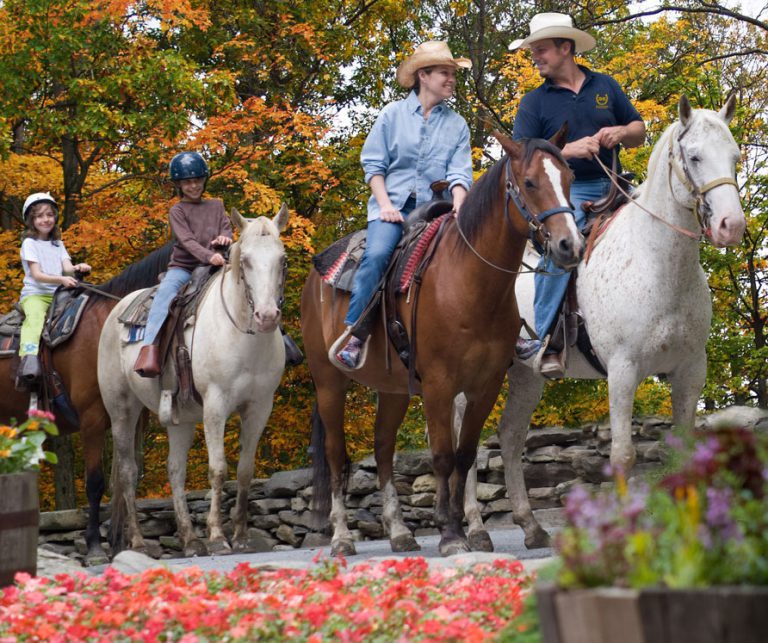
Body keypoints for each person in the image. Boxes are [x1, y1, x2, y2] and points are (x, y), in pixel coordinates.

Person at [509, 12, 646, 377]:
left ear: (565, 48)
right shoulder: (535, 102)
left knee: (665, 227)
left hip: (617, 185)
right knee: (560, 252)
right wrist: (568, 149)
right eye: (534, 51)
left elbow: (639, 129)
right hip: (568, 192)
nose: (535, 57)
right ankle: (547, 341)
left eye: (541, 50)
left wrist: (620, 132)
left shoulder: (605, 86)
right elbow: (522, 156)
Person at [334, 41, 474, 370]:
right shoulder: (392, 115)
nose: (451, 79)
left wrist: (459, 204)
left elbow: (459, 174)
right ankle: (356, 334)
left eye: (453, 74)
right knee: (377, 255)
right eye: (445, 73)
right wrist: (384, 206)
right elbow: (374, 166)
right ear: (423, 76)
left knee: (472, 256)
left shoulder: (457, 125)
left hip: (436, 210)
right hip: (392, 206)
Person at [134, 152, 233, 377]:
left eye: (197, 180)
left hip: (216, 266)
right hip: (184, 268)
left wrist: (225, 239)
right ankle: (149, 350)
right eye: (187, 182)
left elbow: (226, 228)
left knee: (248, 285)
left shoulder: (216, 205)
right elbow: (187, 241)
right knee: (164, 296)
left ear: (204, 180)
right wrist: (208, 256)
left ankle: (278, 338)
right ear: (179, 184)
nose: (194, 186)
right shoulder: (177, 211)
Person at [17, 192, 91, 384]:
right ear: (31, 220)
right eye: (40, 216)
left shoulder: (58, 244)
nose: (46, 219)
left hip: (59, 294)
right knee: (34, 319)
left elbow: (67, 268)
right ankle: (28, 358)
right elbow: (37, 275)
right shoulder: (29, 243)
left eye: (49, 215)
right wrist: (61, 279)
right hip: (36, 295)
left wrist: (78, 267)